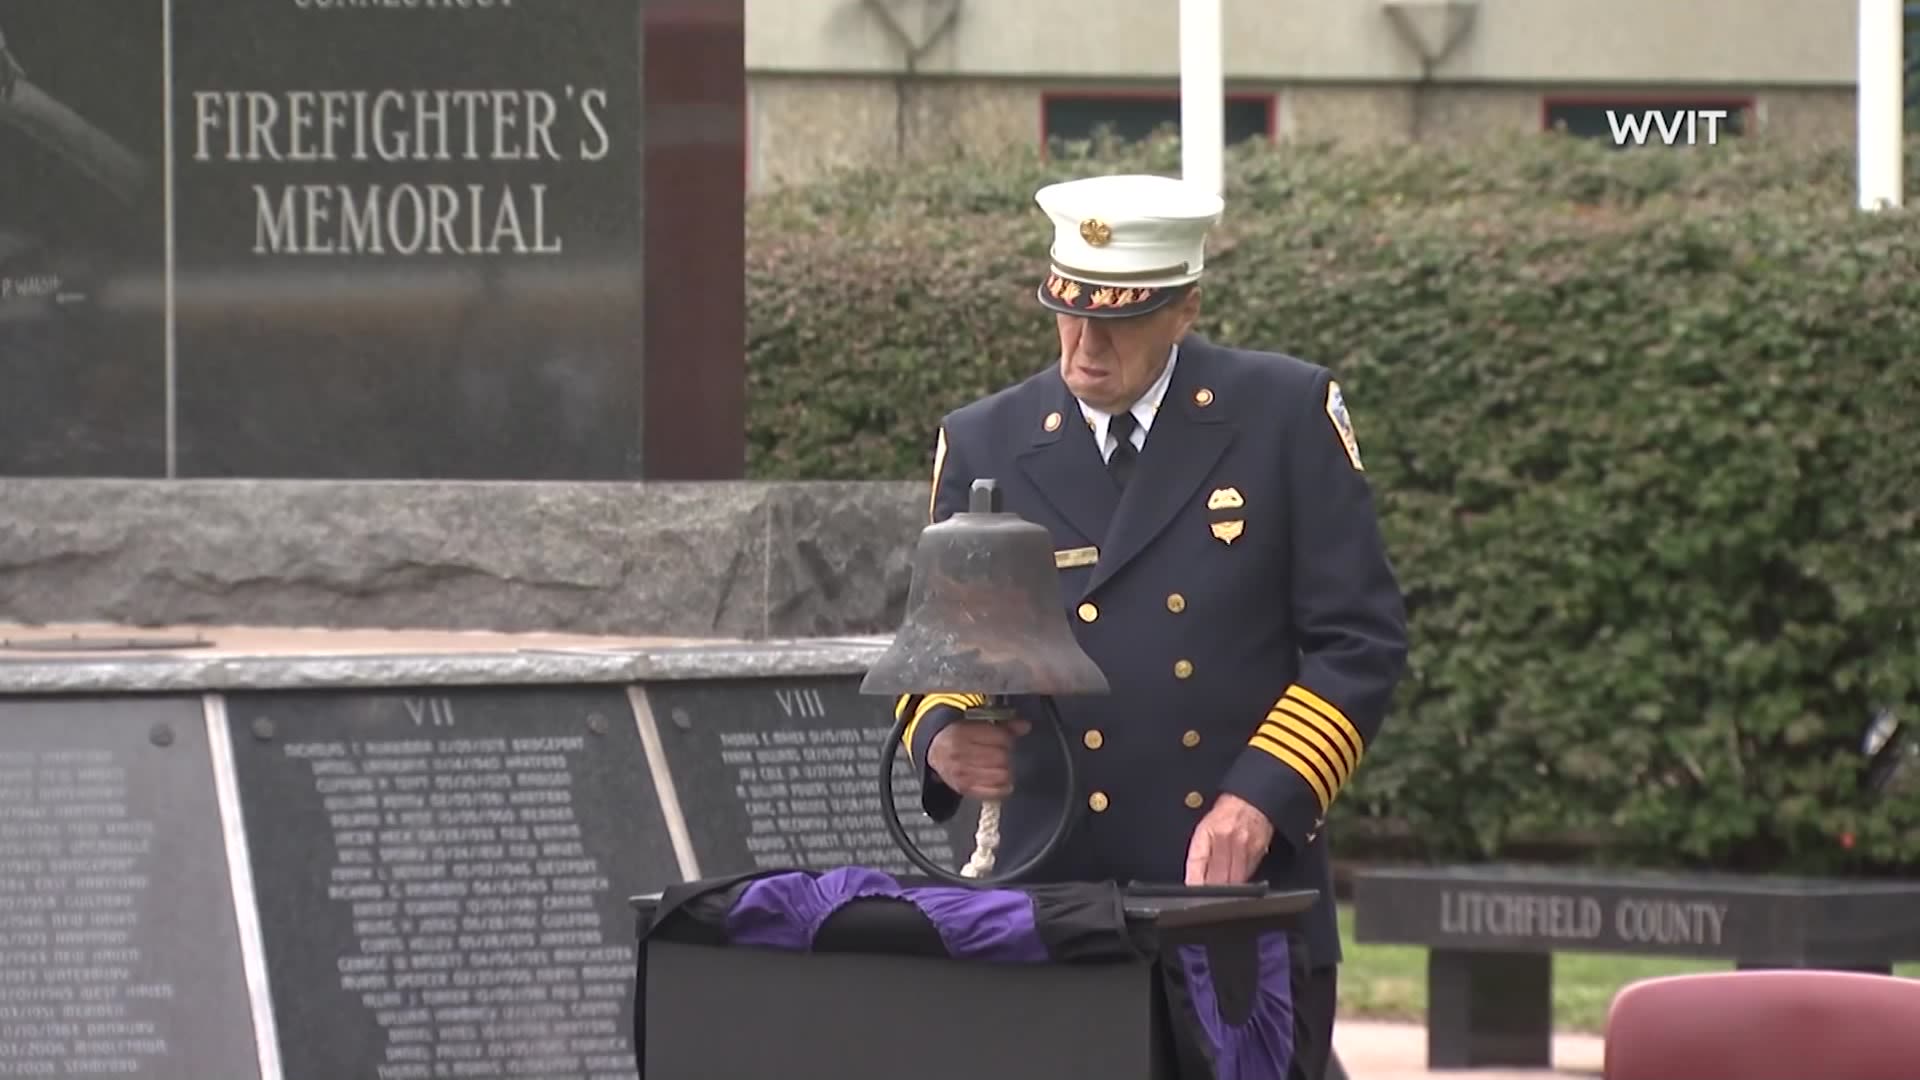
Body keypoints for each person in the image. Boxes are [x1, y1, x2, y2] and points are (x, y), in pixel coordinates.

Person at [892, 172, 1408, 1079]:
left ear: (1184, 310)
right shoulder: (988, 440)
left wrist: (1262, 798)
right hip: (1055, 897)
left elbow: (1357, 641)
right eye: (1067, 313)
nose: (1084, 348)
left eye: (1117, 322)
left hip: (1236, 895)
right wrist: (945, 732)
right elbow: (945, 646)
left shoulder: (1283, 414)